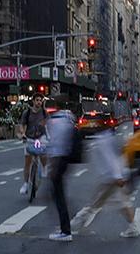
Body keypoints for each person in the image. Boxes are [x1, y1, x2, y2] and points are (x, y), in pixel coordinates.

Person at [72, 120, 139, 238]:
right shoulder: (110, 138)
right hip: (115, 177)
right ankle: (133, 227)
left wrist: (117, 176)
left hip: (110, 178)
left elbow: (110, 160)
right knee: (120, 202)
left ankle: (73, 225)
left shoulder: (103, 141)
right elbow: (119, 158)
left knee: (95, 203)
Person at [45, 99, 78, 242]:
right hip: (66, 159)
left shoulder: (55, 121)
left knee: (57, 194)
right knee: (58, 193)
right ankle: (66, 225)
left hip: (59, 159)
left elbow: (55, 144)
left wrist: (52, 164)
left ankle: (66, 230)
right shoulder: (68, 118)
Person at [21, 97, 48, 197]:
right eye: (37, 100)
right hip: (30, 137)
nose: (39, 102)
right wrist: (23, 134)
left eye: (41, 101)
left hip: (41, 137)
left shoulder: (44, 113)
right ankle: (25, 183)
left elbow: (47, 124)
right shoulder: (27, 113)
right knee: (27, 162)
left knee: (43, 153)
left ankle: (44, 168)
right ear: (33, 101)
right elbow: (23, 125)